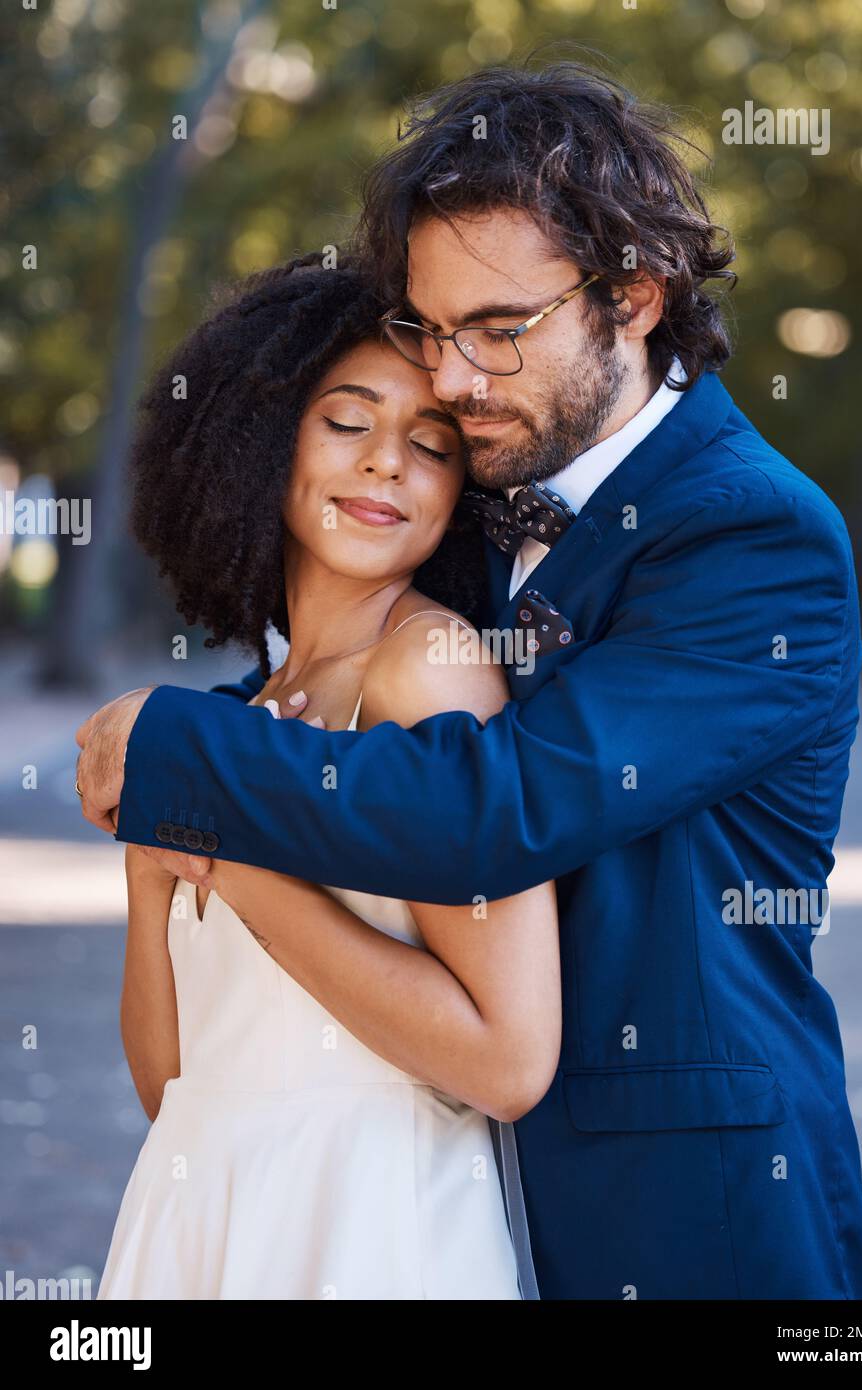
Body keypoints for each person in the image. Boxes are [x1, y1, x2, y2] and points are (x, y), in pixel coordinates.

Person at [78, 61, 862, 1299]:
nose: (450, 381)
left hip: (685, 1224)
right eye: (425, 329)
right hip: (439, 1206)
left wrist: (191, 769)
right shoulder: (486, 502)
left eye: (494, 330)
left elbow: (501, 803)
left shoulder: (750, 535)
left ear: (633, 296)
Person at [95, 261, 557, 1300]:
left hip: (370, 1226)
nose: (386, 463)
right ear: (262, 443)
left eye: (431, 445)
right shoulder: (239, 718)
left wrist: (232, 859)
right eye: (346, 422)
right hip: (198, 1215)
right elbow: (174, 1083)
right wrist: (151, 868)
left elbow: (507, 1058)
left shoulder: (428, 667)